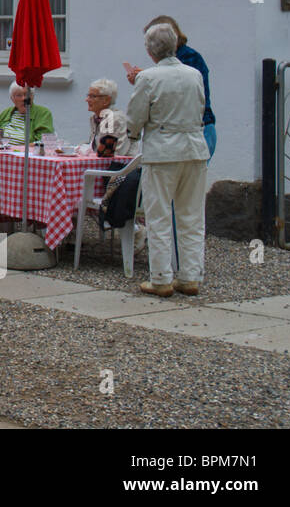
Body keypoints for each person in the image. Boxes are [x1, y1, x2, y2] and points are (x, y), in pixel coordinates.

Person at [125, 23, 209, 298]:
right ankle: (190, 276)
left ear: (150, 51)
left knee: (159, 215)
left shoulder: (148, 78)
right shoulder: (194, 74)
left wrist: (133, 133)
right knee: (191, 216)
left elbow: (136, 116)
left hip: (162, 152)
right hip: (195, 148)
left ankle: (161, 277)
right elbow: (200, 107)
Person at [126, 15, 215, 159]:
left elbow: (180, 92)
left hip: (195, 131)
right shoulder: (178, 63)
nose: (149, 47)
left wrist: (147, 80)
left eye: (151, 41)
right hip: (189, 134)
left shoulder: (189, 58)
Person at [82, 78, 136, 157]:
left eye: (92, 96)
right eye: (88, 96)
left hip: (120, 166)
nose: (87, 100)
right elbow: (95, 148)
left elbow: (114, 152)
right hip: (102, 163)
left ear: (106, 100)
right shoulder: (95, 118)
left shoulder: (115, 119)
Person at [0, 81, 55, 145]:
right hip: (3, 151)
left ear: (32, 96)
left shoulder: (43, 113)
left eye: (27, 94)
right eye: (19, 95)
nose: (24, 98)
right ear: (12, 98)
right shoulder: (6, 113)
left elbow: (43, 141)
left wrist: (18, 149)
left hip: (27, 153)